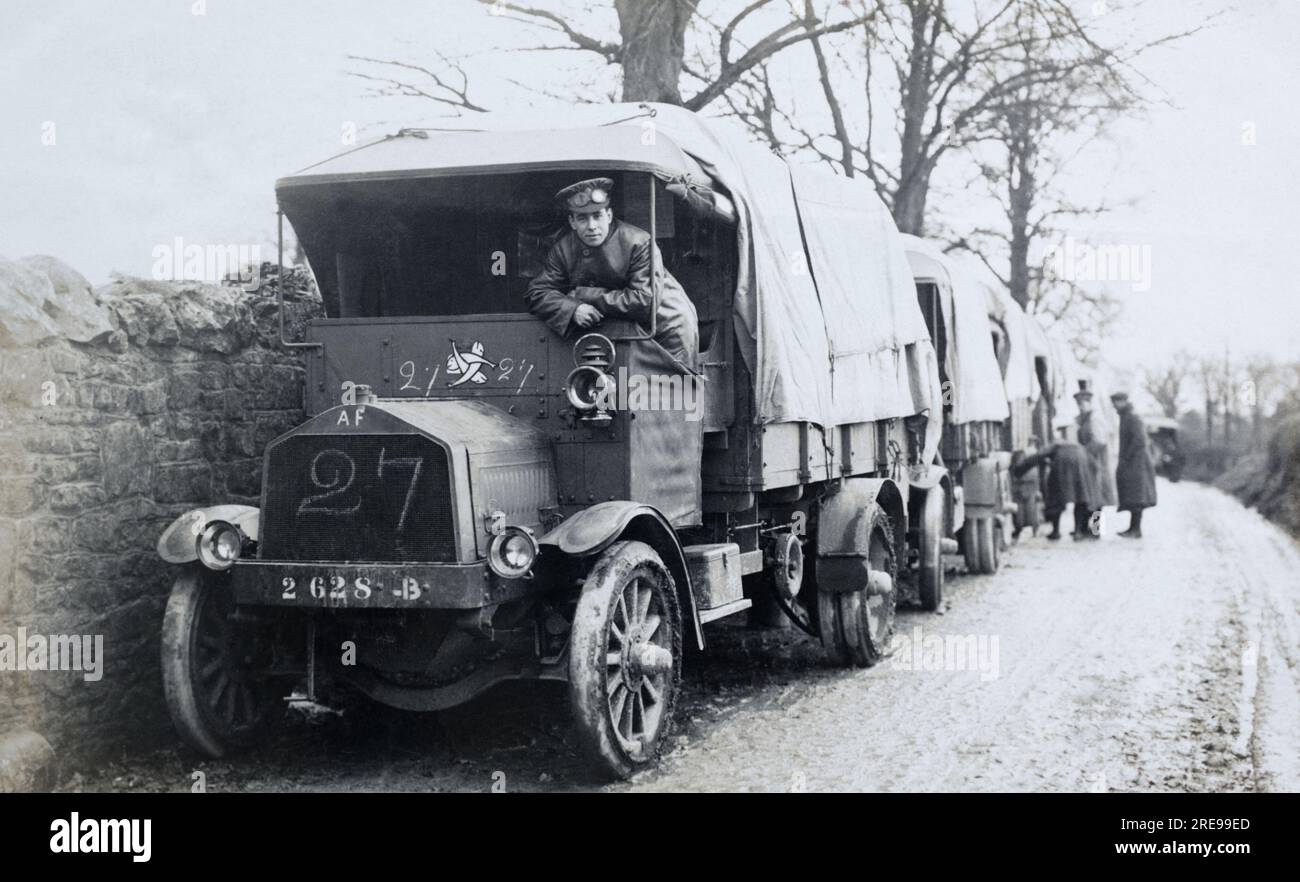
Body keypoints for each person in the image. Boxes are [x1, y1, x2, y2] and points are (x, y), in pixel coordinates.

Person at [524, 177, 699, 368]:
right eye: (582, 218)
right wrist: (573, 308)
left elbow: (644, 302)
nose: (591, 226)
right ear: (572, 222)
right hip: (616, 325)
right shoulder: (563, 249)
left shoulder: (639, 242)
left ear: (608, 215)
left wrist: (584, 296)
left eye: (597, 216)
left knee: (664, 392)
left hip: (666, 326)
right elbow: (537, 292)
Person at [1011, 424, 1100, 541]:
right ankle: (1079, 531)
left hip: (1062, 462)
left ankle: (1056, 531)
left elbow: (1038, 456)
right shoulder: (1079, 447)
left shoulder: (1056, 444)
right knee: (1081, 498)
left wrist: (1019, 470)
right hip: (1081, 461)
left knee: (1055, 497)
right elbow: (1094, 465)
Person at [1111, 391, 1157, 537]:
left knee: (1137, 496)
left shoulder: (1133, 417)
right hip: (1133, 461)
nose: (1114, 406)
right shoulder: (1126, 416)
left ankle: (1136, 530)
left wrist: (1126, 457)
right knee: (1133, 495)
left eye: (1116, 402)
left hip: (1138, 463)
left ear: (1124, 401)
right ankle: (1133, 528)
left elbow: (1140, 440)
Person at [1073, 380, 1112, 538]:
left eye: (1084, 404)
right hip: (1087, 465)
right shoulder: (1082, 420)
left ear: (1089, 404)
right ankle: (1082, 529)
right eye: (1079, 404)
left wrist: (1084, 451)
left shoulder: (1095, 419)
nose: (1081, 407)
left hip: (1096, 465)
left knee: (1096, 500)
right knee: (1084, 497)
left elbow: (1100, 441)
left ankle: (1094, 530)